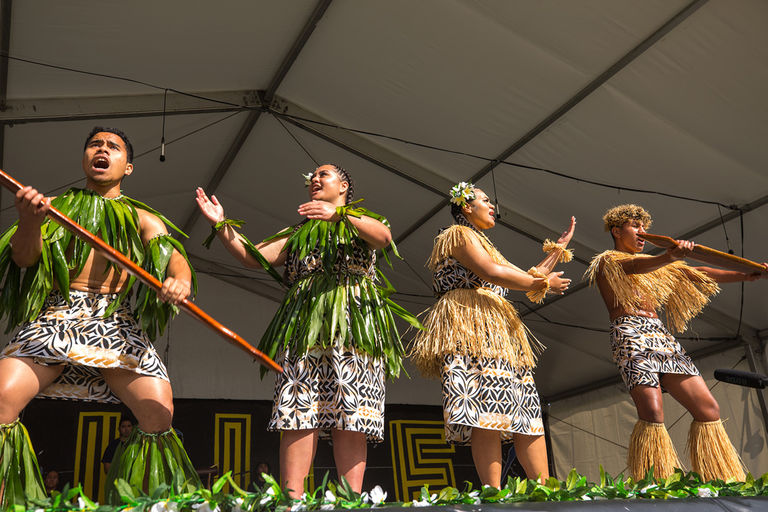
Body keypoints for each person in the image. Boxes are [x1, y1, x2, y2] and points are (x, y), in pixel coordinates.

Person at [0, 127, 201, 506]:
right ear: (84, 158)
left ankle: (142, 502)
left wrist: (179, 281)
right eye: (95, 144)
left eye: (113, 147)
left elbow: (174, 258)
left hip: (114, 323)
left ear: (128, 167)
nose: (102, 150)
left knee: (158, 413)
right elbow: (24, 259)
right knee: (1, 398)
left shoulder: (141, 217)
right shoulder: (53, 207)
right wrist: (29, 221)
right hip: (56, 317)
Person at [196, 164, 419, 498]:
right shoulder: (299, 231)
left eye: (324, 174)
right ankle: (292, 500)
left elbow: (384, 238)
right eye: (312, 176)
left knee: (350, 410)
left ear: (343, 185)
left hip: (352, 324)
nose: (315, 179)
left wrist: (337, 216)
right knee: (299, 408)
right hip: (305, 327)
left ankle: (349, 501)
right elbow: (252, 257)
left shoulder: (361, 221)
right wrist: (221, 225)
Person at [586, 204, 767, 482]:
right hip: (630, 334)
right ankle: (657, 481)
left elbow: (698, 273)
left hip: (660, 335)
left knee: (708, 409)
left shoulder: (659, 265)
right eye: (635, 227)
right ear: (617, 231)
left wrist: (745, 275)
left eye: (644, 228)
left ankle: (719, 477)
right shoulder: (608, 261)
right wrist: (669, 255)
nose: (642, 233)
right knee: (653, 412)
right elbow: (636, 266)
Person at [411, 182, 575, 487]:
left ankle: (545, 489)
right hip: (472, 326)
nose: (492, 207)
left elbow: (525, 276)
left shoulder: (485, 243)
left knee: (525, 412)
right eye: (485, 201)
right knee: (487, 411)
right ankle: (493, 493)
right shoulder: (457, 235)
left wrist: (558, 250)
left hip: (499, 333)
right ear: (466, 207)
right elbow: (493, 273)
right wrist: (542, 284)